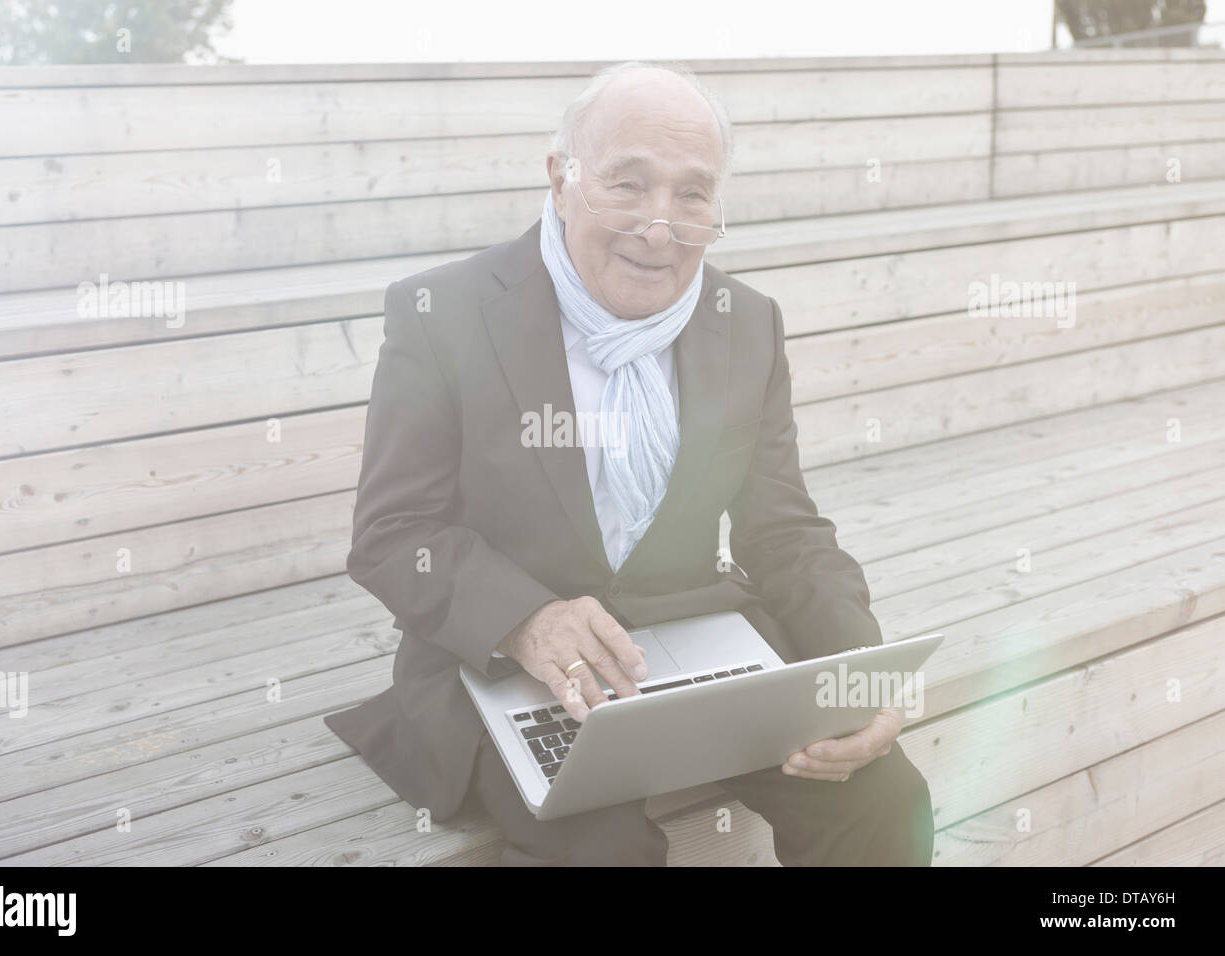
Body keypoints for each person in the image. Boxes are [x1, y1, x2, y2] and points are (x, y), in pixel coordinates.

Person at [324, 60, 934, 866]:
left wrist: (864, 676)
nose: (660, 227)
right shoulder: (444, 316)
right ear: (560, 178)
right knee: (601, 850)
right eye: (628, 184)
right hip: (510, 672)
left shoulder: (745, 323)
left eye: (692, 193)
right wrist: (528, 619)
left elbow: (783, 533)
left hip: (691, 643)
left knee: (885, 801)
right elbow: (394, 534)